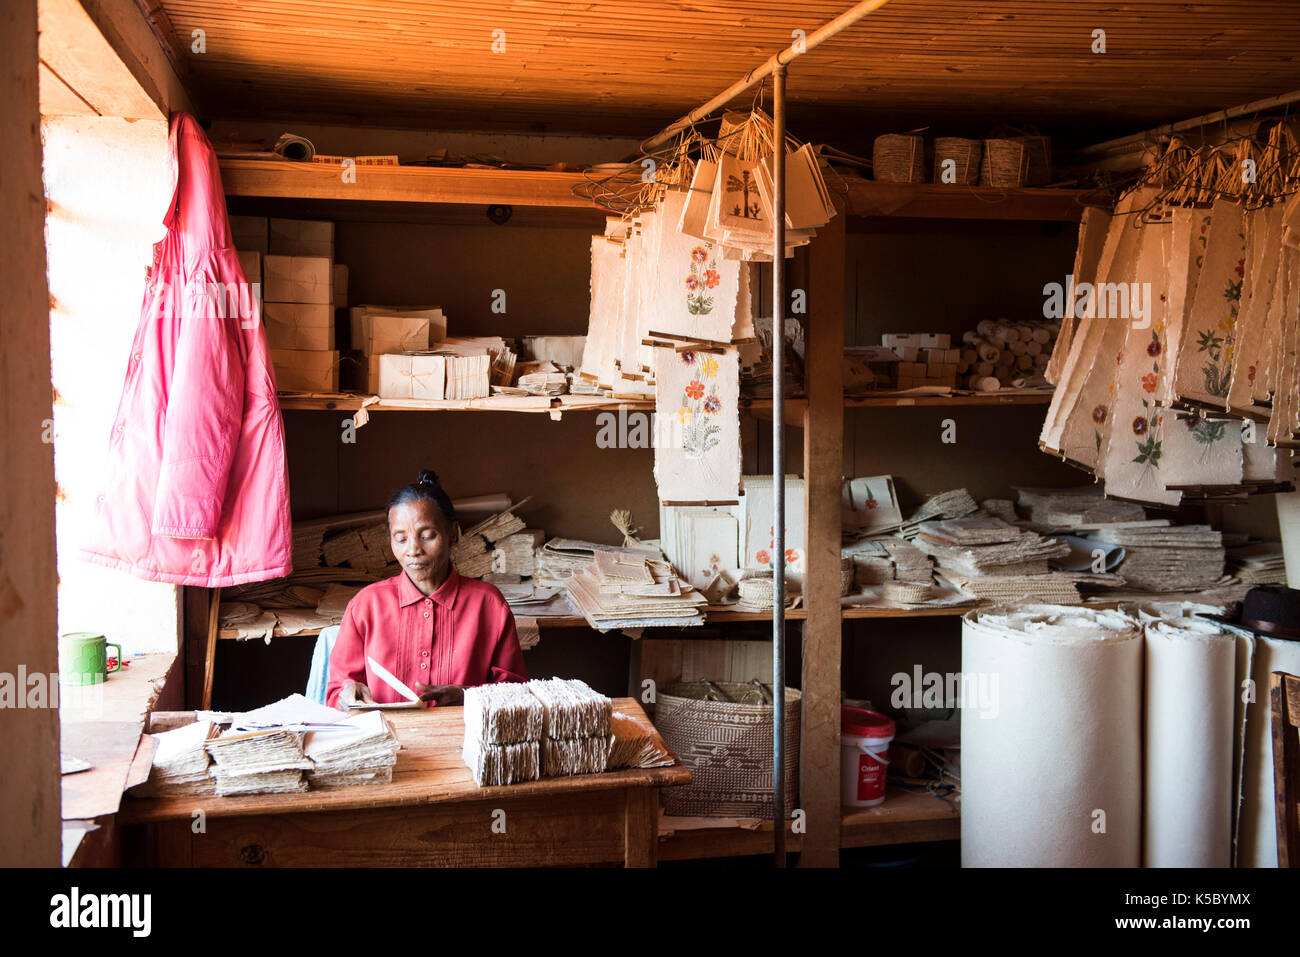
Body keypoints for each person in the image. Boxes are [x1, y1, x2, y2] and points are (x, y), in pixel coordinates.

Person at [325, 470, 526, 709]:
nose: (413, 550)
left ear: (452, 534)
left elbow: (517, 693)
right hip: (388, 741)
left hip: (464, 740)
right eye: (400, 539)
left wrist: (467, 696)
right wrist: (346, 695)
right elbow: (337, 692)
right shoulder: (366, 605)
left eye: (428, 535)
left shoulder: (489, 604)